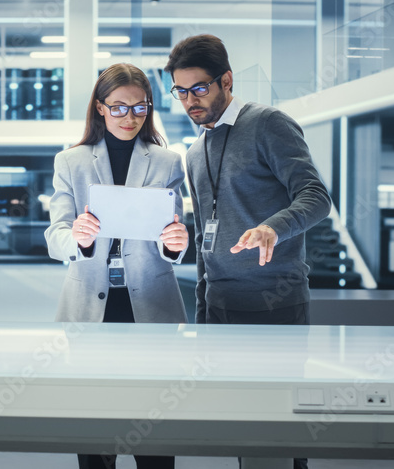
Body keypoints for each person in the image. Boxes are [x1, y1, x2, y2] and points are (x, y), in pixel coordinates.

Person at [166, 35, 330, 469]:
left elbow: (316, 196)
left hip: (274, 299)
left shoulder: (268, 124)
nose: (189, 101)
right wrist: (202, 311)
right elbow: (204, 234)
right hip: (220, 305)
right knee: (242, 425)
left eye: (199, 88)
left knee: (278, 429)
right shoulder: (194, 151)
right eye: (180, 91)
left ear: (227, 80)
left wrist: (273, 228)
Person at [45, 63, 189, 469]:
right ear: (100, 108)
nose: (130, 118)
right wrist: (79, 237)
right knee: (93, 420)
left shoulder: (167, 162)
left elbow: (172, 237)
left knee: (154, 422)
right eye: (120, 107)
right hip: (90, 305)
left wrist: (177, 245)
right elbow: (56, 237)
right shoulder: (71, 162)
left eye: (140, 108)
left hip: (152, 303)